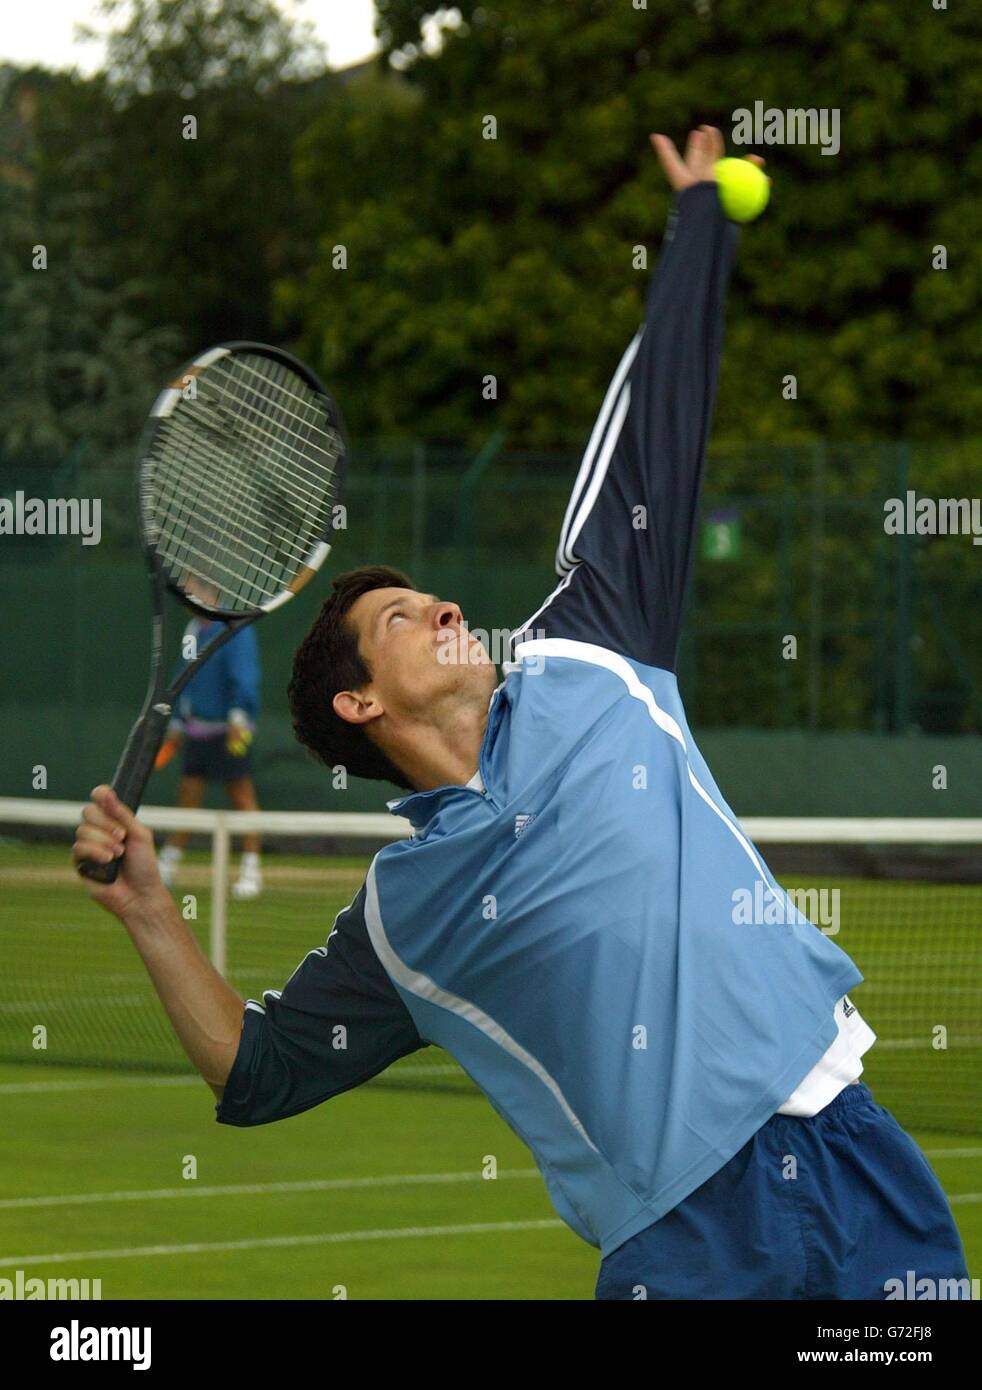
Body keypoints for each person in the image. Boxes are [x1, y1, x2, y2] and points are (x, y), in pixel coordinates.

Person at [74, 126, 968, 1300]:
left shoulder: (591, 653)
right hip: (685, 1247)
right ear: (360, 700)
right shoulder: (405, 918)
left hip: (857, 1158)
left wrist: (697, 223)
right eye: (399, 619)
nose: (440, 606)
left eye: (425, 596)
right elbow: (257, 1074)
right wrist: (147, 907)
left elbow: (659, 432)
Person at [157, 618, 264, 900]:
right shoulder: (192, 629)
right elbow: (185, 676)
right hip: (196, 730)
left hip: (232, 730)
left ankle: (251, 871)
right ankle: (166, 867)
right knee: (187, 797)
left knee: (241, 797)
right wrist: (178, 723)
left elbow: (244, 673)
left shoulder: (237, 629)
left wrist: (238, 718)